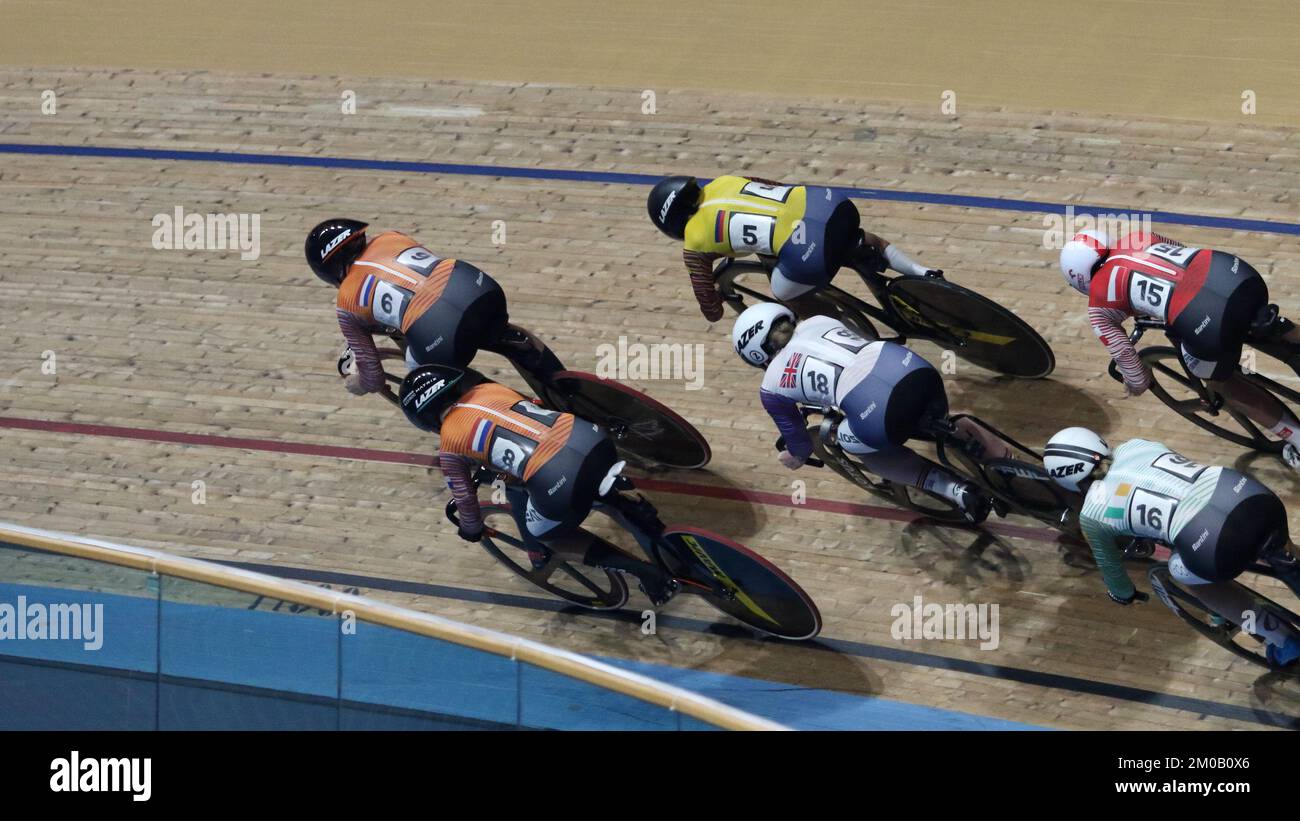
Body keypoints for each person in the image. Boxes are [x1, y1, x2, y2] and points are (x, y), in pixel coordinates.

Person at [397, 364, 678, 606]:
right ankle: (639, 515)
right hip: (593, 439)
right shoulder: (488, 390)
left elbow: (466, 504)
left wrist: (471, 531)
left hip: (558, 478)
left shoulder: (449, 446)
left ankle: (643, 571)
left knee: (546, 533)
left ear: (425, 418)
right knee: (591, 484)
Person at [1044, 426, 1300, 666]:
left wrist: (1122, 595)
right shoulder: (1136, 445)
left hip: (1212, 543)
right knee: (1282, 547)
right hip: (1249, 493)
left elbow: (1111, 569)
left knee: (1183, 573)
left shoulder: (1091, 514)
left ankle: (1283, 639)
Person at [733, 302, 1005, 524]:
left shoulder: (771, 386)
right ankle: (1009, 464)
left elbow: (800, 443)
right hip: (915, 369)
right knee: (946, 422)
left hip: (877, 411)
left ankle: (955, 491)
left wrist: (794, 457)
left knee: (867, 453)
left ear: (757, 355)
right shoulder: (818, 319)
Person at [1058, 227, 1300, 466]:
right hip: (1236, 272)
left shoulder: (1099, 307)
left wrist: (1133, 383)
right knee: (1266, 321)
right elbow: (1182, 252)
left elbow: (1134, 372)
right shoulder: (1139, 237)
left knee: (1220, 382)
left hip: (1206, 320)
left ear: (1079, 280)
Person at [306, 218, 561, 397]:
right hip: (481, 289)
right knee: (497, 332)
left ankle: (493, 412)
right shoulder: (391, 237)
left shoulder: (345, 305)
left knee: (426, 384)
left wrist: (359, 383)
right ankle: (565, 388)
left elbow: (374, 377)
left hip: (439, 332)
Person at [647, 175, 941, 322]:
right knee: (864, 239)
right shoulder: (724, 181)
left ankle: (839, 327)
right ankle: (923, 271)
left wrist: (714, 302)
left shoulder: (694, 245)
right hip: (830, 203)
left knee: (784, 292)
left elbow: (710, 310)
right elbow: (776, 186)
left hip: (809, 251)